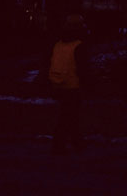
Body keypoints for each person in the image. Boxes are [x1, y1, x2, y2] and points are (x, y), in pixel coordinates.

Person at [48, 13, 88, 154]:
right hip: (73, 86)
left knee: (67, 115)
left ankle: (73, 143)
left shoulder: (58, 44)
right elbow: (83, 69)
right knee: (69, 117)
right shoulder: (79, 46)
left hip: (58, 84)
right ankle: (62, 146)